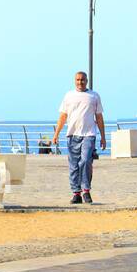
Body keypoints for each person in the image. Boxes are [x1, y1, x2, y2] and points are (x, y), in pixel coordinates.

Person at [52, 71, 105, 205]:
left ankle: (86, 190)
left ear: (86, 81)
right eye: (77, 80)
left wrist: (103, 137)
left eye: (82, 80)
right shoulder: (68, 96)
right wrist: (56, 134)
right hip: (72, 135)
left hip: (89, 135)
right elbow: (63, 116)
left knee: (86, 161)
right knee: (74, 165)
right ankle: (76, 193)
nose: (80, 82)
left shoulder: (94, 96)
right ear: (74, 81)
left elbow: (99, 117)